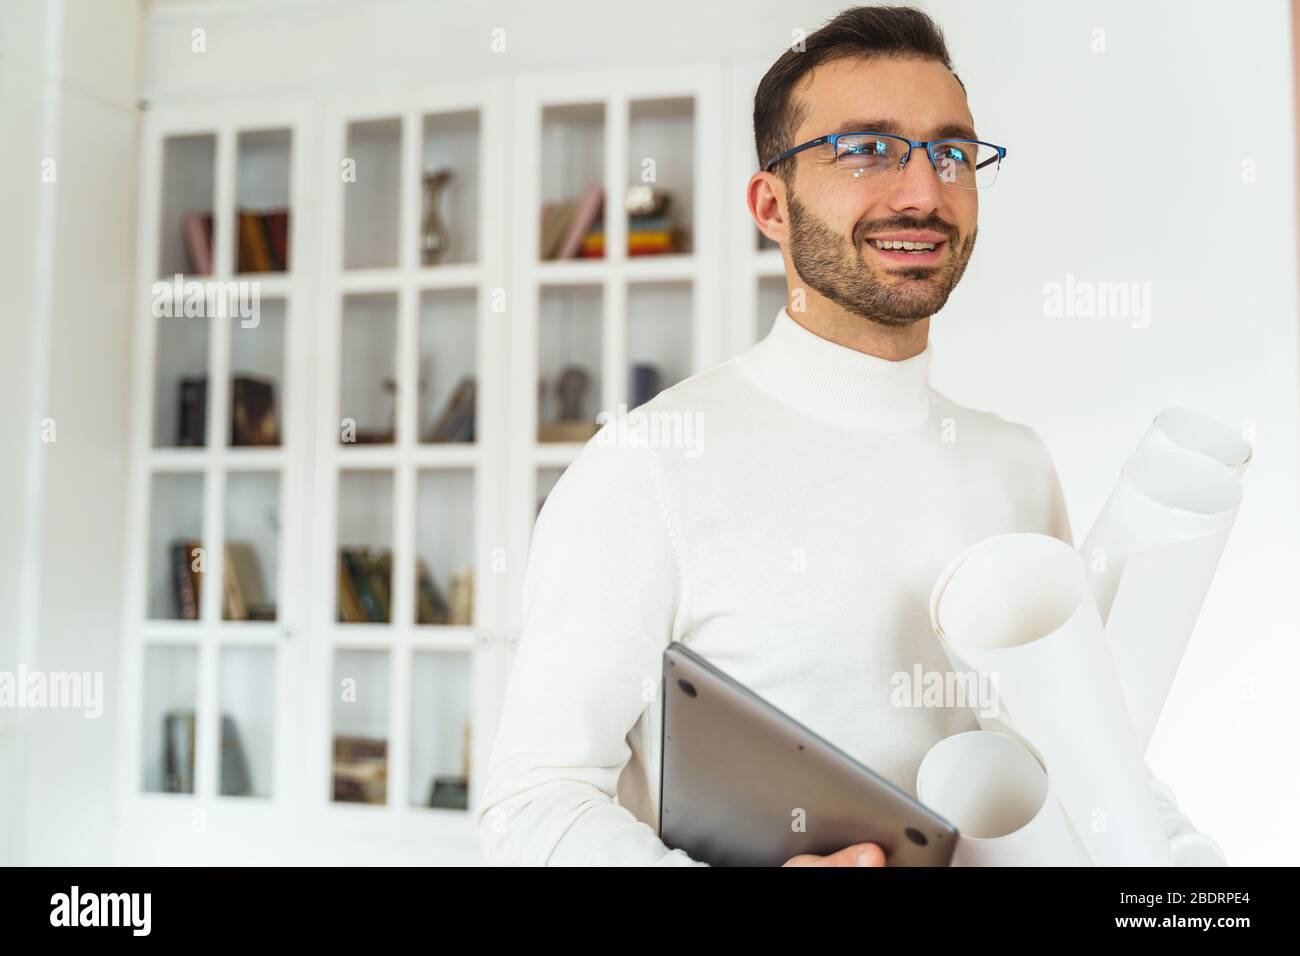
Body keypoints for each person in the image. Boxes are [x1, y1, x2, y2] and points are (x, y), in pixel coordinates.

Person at [476, 4, 1223, 866]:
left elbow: (1087, 755)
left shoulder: (1015, 465)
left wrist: (1193, 875)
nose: (922, 192)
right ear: (771, 204)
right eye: (868, 148)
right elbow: (530, 806)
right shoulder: (647, 468)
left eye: (951, 152)